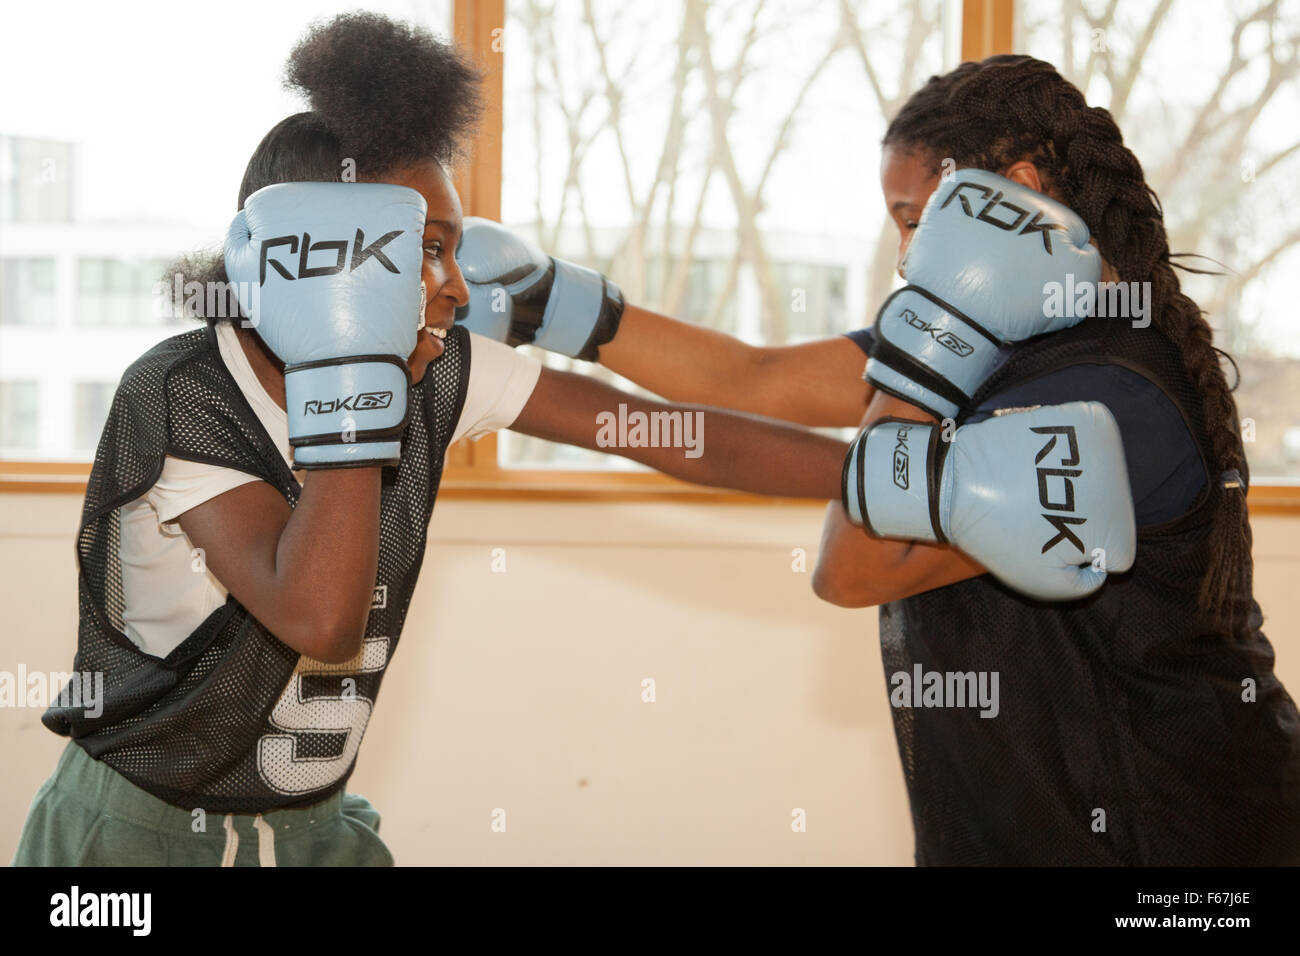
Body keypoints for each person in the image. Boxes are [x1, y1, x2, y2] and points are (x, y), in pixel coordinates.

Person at [11, 12, 852, 868]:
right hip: (133, 840)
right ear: (331, 256)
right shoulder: (186, 391)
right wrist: (354, 376)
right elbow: (321, 616)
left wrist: (889, 481)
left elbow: (666, 435)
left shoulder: (439, 368)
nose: (457, 284)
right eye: (430, 250)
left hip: (310, 825)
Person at [460, 55, 1300, 865]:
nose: (905, 257)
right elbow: (752, 379)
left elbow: (854, 565)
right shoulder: (995, 342)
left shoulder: (1114, 398)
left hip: (1188, 841)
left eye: (914, 219)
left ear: (1015, 198)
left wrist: (936, 325)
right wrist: (547, 314)